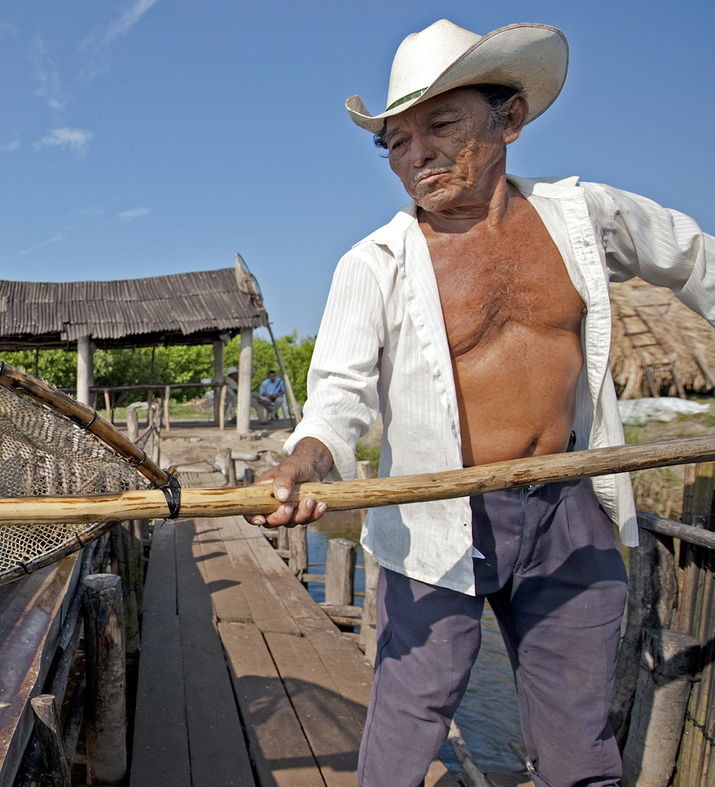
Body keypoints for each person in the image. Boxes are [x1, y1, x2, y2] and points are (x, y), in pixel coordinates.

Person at [248, 19, 715, 787]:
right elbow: (338, 396)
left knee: (578, 732)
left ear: (511, 120)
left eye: (441, 126)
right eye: (397, 141)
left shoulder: (581, 217)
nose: (417, 155)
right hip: (437, 510)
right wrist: (305, 458)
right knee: (411, 714)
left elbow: (693, 257)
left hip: (566, 504)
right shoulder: (374, 263)